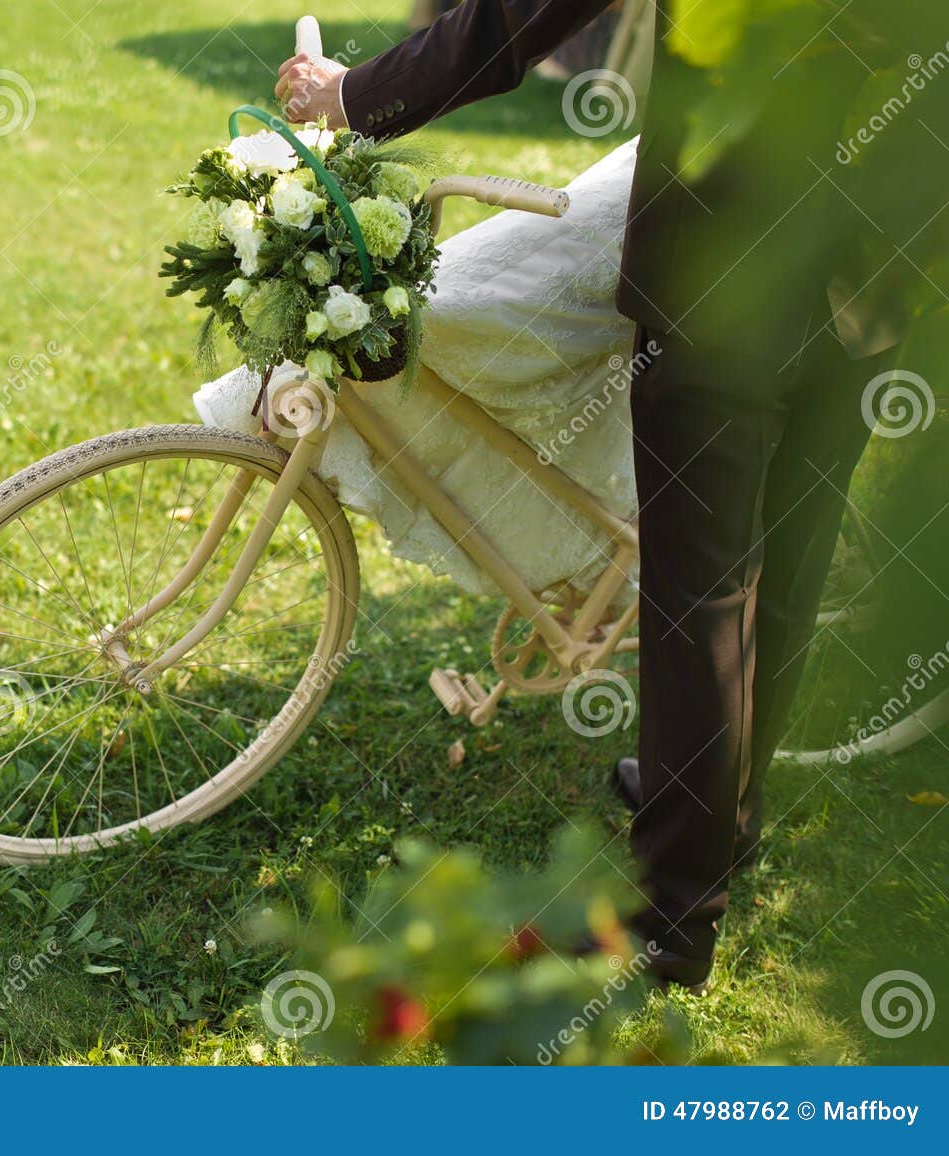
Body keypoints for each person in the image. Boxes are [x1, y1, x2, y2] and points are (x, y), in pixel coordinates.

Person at [275, 0, 905, 989]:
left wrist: (355, 95)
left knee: (701, 589)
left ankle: (670, 920)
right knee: (785, 558)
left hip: (730, 261)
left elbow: (524, 13)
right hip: (879, 265)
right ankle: (722, 817)